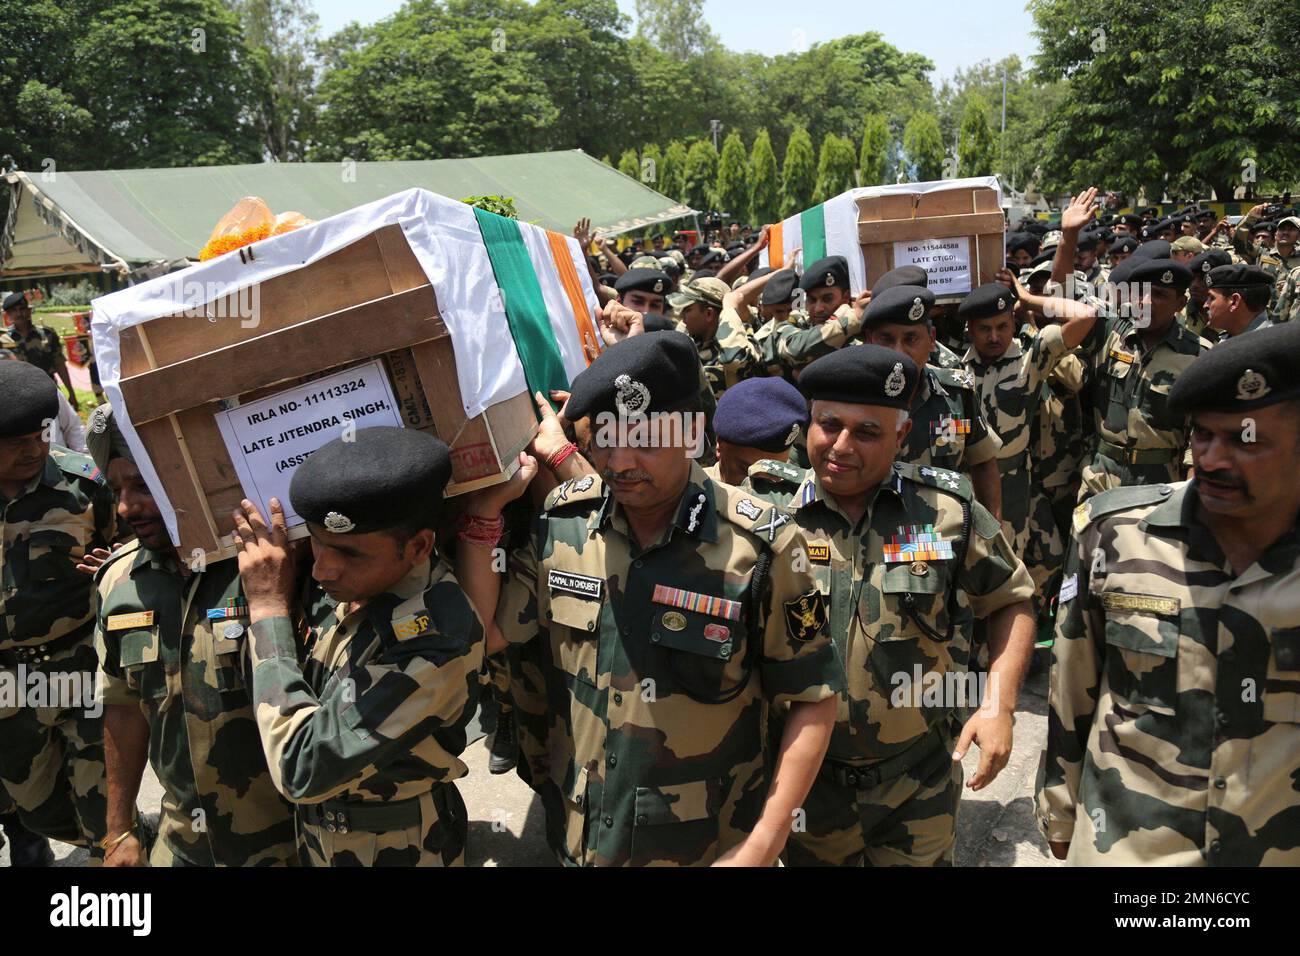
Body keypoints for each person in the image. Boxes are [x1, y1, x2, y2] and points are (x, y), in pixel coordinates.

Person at [456, 332, 841, 866]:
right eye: (604, 440)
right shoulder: (565, 529)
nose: (621, 461)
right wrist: (483, 518)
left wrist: (763, 843)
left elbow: (813, 696)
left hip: (707, 845)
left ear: (692, 435)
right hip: (584, 837)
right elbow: (487, 634)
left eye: (647, 438)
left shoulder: (765, 547)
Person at [742, 345, 1035, 866]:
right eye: (828, 425)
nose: (841, 446)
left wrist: (998, 706)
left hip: (916, 780)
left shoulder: (945, 513)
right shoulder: (763, 513)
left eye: (867, 432)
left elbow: (1011, 599)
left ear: (901, 437)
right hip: (805, 783)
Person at [1037, 322, 1300, 865]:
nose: (1211, 458)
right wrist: (1060, 809)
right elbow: (1072, 687)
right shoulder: (1115, 534)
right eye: (1203, 434)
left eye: (1244, 439)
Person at [233, 427, 485, 866]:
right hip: (324, 837)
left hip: (394, 848)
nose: (323, 569)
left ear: (418, 546)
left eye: (350, 553)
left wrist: (268, 609)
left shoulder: (433, 641)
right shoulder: (361, 584)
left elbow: (301, 768)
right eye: (317, 543)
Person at [89, 405, 297, 867]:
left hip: (296, 843)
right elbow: (123, 707)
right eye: (116, 489)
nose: (125, 507)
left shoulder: (273, 565)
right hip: (184, 843)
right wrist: (118, 831)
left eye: (143, 486)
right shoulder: (118, 583)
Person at [0, 361, 118, 863]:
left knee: (106, 814)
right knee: (36, 811)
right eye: (14, 440)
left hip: (82, 672)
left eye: (41, 434)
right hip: (9, 690)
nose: (33, 448)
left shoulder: (84, 488)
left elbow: (132, 562)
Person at [1052, 189, 1212, 498]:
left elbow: (1202, 436)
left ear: (1181, 303)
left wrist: (1192, 498)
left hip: (1161, 487)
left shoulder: (1200, 355)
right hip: (1101, 480)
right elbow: (1059, 299)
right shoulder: (1110, 332)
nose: (1147, 301)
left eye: (1161, 295)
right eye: (1142, 291)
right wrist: (1069, 236)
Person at [957, 276, 1099, 577]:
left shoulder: (1031, 359)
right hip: (966, 483)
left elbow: (1086, 315)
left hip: (1013, 485)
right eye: (984, 328)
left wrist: (1029, 300)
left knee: (1009, 566)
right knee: (968, 567)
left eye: (1002, 326)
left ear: (1014, 323)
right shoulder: (953, 365)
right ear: (970, 328)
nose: (994, 336)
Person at [861, 284, 1003, 517]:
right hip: (876, 541)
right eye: (886, 339)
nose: (899, 351)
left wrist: (992, 534)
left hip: (944, 536)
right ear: (869, 340)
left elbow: (983, 460)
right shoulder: (851, 398)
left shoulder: (957, 393)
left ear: (932, 339)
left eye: (911, 339)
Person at [768, 256, 869, 379]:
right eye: (812, 300)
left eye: (827, 299)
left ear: (846, 297)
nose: (818, 309)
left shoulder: (862, 329)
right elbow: (794, 349)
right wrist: (851, 320)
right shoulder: (797, 319)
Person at [667, 275, 760, 398]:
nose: (681, 316)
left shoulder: (743, 337)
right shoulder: (691, 339)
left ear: (709, 314)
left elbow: (735, 360)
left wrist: (729, 308)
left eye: (687, 309)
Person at [707, 376, 808, 486]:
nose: (762, 489)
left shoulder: (798, 492)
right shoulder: (694, 494)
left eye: (775, 475)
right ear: (719, 445)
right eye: (747, 472)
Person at [2, 291, 79, 411]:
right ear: (7, 315)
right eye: (14, 310)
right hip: (19, 396)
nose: (19, 313)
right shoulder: (3, 340)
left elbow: (59, 364)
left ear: (29, 310)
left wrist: (71, 392)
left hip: (49, 392)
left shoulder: (47, 334)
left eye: (22, 309)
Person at [1202, 264, 1274, 338]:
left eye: (1212, 298)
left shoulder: (1272, 344)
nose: (1205, 305)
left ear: (1234, 302)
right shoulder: (1230, 338)